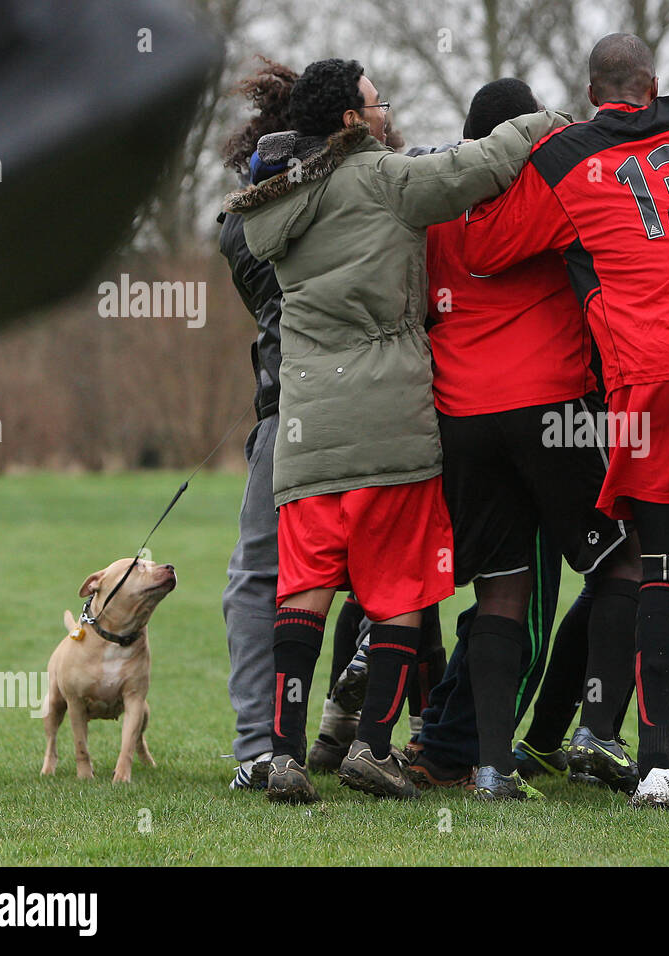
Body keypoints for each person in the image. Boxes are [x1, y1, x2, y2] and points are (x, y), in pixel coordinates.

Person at [224, 57, 568, 804]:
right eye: (377, 106)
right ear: (350, 120)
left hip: (308, 419)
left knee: (306, 583)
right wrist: (550, 120)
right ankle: (376, 748)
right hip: (389, 418)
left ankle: (283, 752)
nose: (385, 115)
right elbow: (483, 162)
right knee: (399, 587)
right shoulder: (385, 178)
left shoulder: (273, 203)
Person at [463, 34, 669, 808]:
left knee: (664, 569)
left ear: (587, 87)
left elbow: (483, 247)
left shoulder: (566, 158)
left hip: (649, 379)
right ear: (653, 81)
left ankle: (657, 763)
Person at [422, 77, 643, 799]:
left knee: (501, 592)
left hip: (463, 418)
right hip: (554, 407)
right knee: (622, 564)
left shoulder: (432, 208)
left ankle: (489, 767)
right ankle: (598, 732)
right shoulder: (556, 193)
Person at [215, 57, 297, 790]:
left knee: (255, 577)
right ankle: (267, 745)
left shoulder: (241, 224)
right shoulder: (251, 222)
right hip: (317, 406)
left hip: (290, 410)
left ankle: (261, 746)